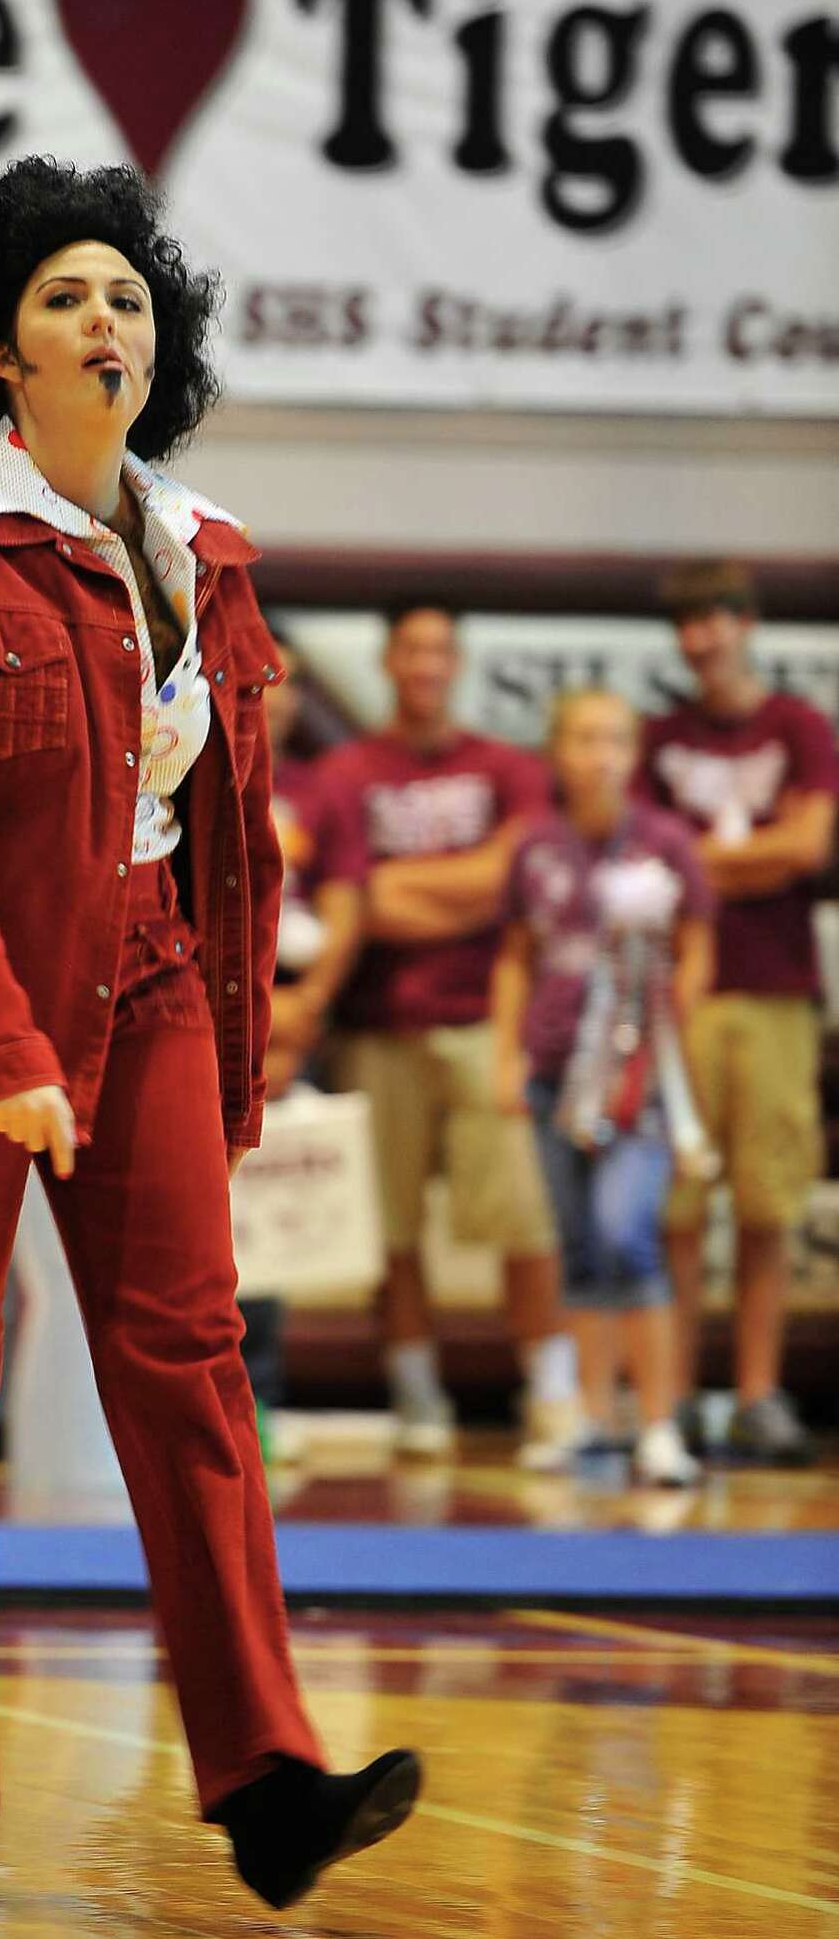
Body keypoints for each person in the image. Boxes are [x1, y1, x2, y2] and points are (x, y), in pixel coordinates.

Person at [0, 156, 420, 1918]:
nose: (105, 322)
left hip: (142, 983)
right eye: (66, 297)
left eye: (129, 300)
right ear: (2, 352)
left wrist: (230, 1041)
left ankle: (269, 1780)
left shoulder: (206, 553)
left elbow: (237, 832)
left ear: (159, 350)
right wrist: (3, 1048)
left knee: (193, 1357)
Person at [314, 604, 579, 1464]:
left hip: (485, 1025)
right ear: (388, 659)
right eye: (412, 648)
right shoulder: (347, 772)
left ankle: (552, 1392)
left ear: (457, 661)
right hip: (379, 1026)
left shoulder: (507, 767)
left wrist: (403, 889)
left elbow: (515, 875)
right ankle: (418, 1393)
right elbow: (357, 903)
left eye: (440, 649)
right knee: (389, 1229)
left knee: (523, 1220)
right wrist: (462, 890)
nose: (426, 663)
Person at [639, 561, 839, 1465]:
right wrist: (756, 851)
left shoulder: (798, 726)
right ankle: (674, 1395)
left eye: (717, 616)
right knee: (678, 1206)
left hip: (775, 992)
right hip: (681, 994)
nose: (703, 636)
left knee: (766, 1202)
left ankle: (759, 1393)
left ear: (748, 624)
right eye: (687, 621)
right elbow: (647, 861)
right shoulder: (660, 736)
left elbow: (808, 845)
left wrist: (701, 862)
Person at [492, 689, 715, 1485]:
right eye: (584, 739)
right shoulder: (535, 846)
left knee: (628, 1234)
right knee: (580, 1245)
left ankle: (658, 1423)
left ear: (635, 753)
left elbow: (697, 944)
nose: (600, 756)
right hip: (556, 1073)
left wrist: (662, 1033)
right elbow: (516, 954)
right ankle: (591, 1416)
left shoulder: (663, 843)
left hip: (635, 1081)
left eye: (616, 739)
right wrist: (507, 1054)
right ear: (557, 751)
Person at [236, 634, 364, 1463]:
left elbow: (349, 902)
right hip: (215, 1009)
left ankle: (261, 1396)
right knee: (202, 1215)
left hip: (292, 1017)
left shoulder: (323, 791)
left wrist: (306, 1008)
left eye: (286, 681)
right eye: (261, 675)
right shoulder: (196, 763)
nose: (274, 694)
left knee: (270, 1219)